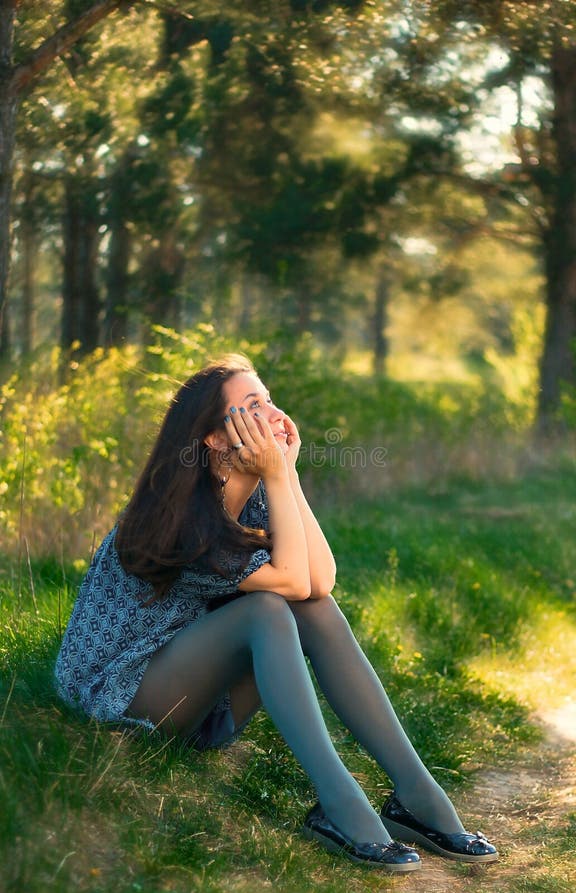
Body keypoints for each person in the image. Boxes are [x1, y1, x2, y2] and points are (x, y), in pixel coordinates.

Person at [55, 354, 497, 872]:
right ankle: (339, 804)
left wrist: (285, 474)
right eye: (251, 406)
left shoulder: (258, 496)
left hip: (203, 703)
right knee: (266, 609)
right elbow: (287, 582)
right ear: (215, 439)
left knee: (314, 607)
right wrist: (279, 474)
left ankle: (415, 795)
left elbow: (318, 582)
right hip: (126, 696)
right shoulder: (178, 519)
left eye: (267, 399)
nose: (272, 414)